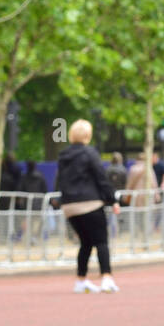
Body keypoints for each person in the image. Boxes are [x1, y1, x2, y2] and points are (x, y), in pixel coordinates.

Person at [56, 119, 120, 293]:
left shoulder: (63, 156)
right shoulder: (90, 153)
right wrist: (112, 200)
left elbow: (60, 181)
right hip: (90, 203)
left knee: (85, 243)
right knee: (101, 241)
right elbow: (101, 178)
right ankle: (106, 278)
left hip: (69, 206)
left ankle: (81, 280)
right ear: (87, 135)